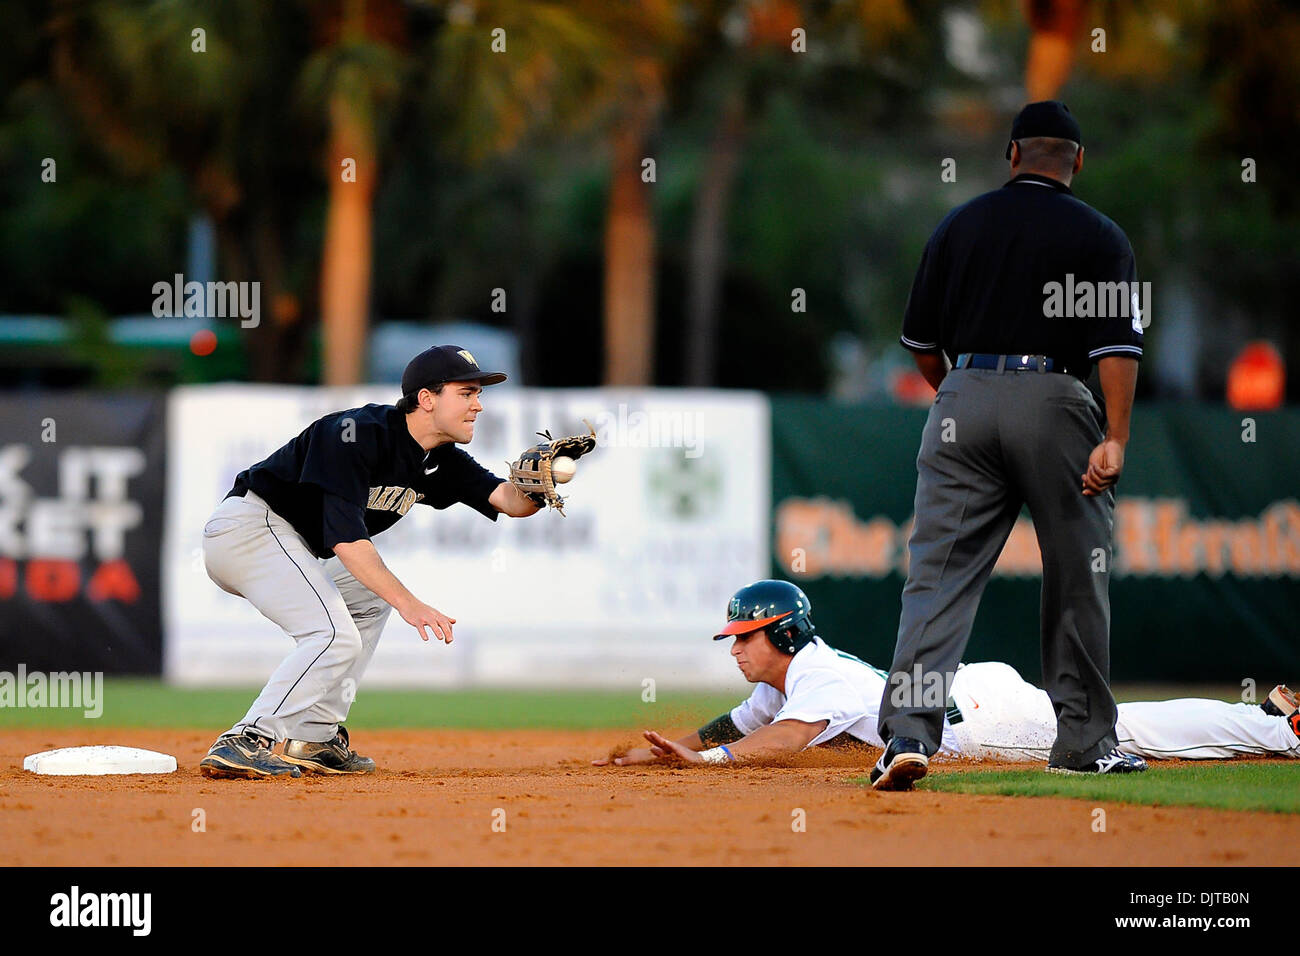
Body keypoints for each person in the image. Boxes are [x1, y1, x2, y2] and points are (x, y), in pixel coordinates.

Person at [874, 101, 1147, 790]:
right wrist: (1114, 437)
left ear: (1012, 154)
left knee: (935, 575)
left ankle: (907, 734)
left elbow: (921, 344)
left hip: (962, 396)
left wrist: (956, 394)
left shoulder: (960, 223)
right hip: (1054, 399)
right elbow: (1116, 347)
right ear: (1077, 162)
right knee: (1077, 573)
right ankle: (1085, 743)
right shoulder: (1100, 235)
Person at [197, 345, 581, 779]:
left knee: (366, 600)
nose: (478, 405)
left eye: (479, 394)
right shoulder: (354, 433)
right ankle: (246, 739)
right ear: (427, 398)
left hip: (289, 544)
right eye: (467, 393)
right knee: (332, 633)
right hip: (248, 528)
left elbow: (508, 501)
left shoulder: (439, 459)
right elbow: (346, 541)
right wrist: (410, 603)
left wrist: (538, 485)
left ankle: (313, 737)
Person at [594, 581, 1300, 770]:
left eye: (743, 638)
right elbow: (738, 724)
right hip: (966, 693)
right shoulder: (784, 680)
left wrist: (707, 762)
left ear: (780, 633)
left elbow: (779, 741)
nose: (734, 650)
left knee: (1124, 733)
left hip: (986, 719)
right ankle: (1265, 721)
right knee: (1117, 725)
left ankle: (1275, 729)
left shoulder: (821, 682)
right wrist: (655, 753)